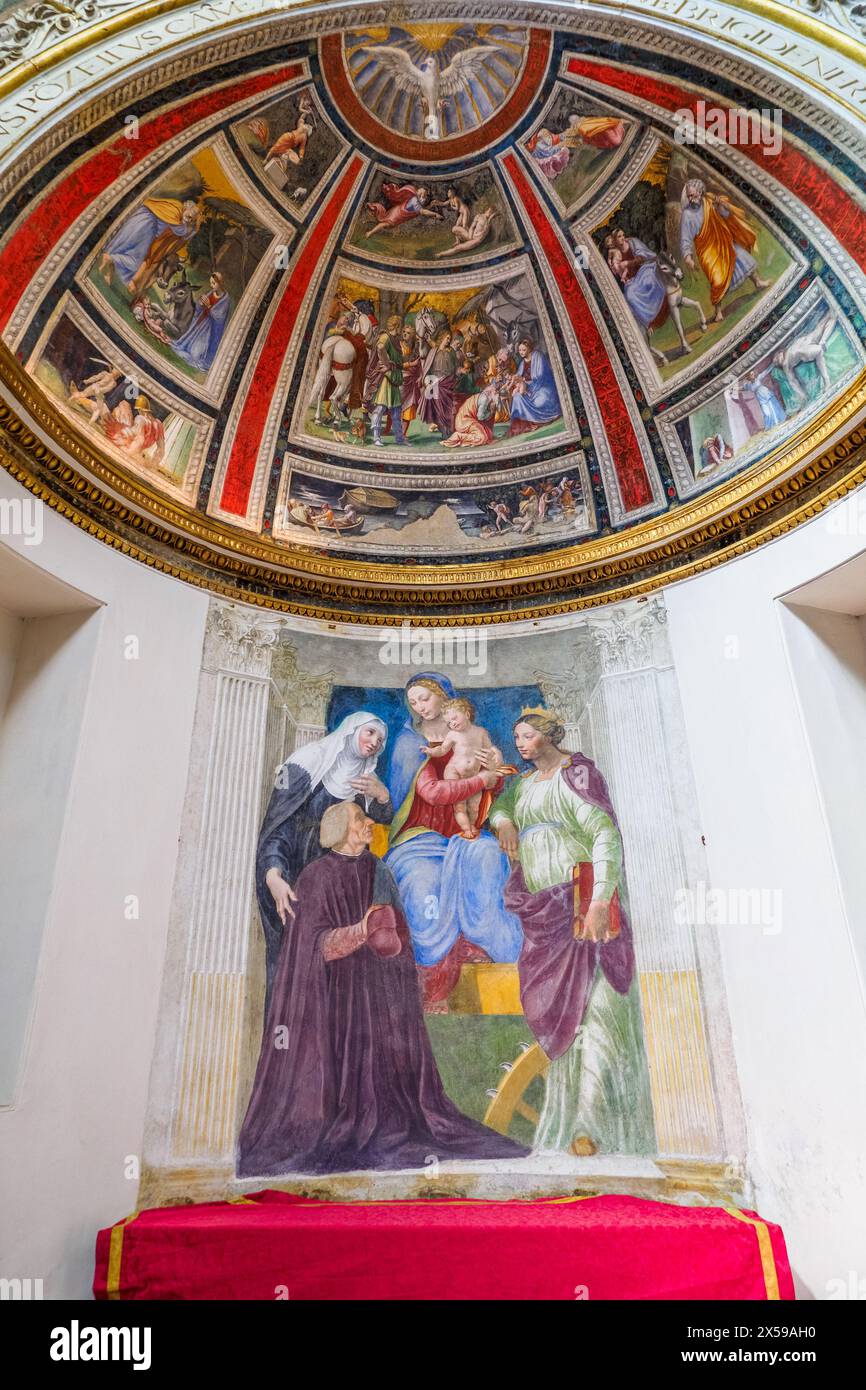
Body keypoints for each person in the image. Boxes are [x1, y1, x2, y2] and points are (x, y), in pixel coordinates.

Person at [237, 800, 529, 1175]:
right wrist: (362, 930)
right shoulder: (315, 877)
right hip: (335, 999)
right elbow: (315, 947)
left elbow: (397, 936)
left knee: (386, 1093)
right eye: (360, 819)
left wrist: (390, 939)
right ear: (342, 829)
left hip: (375, 992)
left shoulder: (380, 871)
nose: (368, 824)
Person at [490, 708, 656, 1157]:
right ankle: (571, 1126)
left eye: (526, 735)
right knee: (566, 1022)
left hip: (582, 909)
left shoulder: (577, 775)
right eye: (516, 736)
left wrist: (601, 899)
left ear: (548, 735)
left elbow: (604, 835)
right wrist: (504, 822)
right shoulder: (523, 786)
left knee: (596, 1014)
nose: (520, 743)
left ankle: (594, 1125)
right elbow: (503, 806)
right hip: (545, 917)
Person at [386, 676, 523, 1012]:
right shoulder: (410, 744)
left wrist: (491, 776)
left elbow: (493, 790)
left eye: (424, 699)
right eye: (413, 702)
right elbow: (430, 793)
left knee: (489, 855)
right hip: (419, 840)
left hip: (463, 835)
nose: (419, 707)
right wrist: (480, 779)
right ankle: (433, 981)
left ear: (445, 700)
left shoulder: (473, 735)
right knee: (424, 884)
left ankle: (480, 943)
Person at [255, 711, 391, 1006]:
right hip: (300, 876)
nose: (374, 742)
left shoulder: (368, 779)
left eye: (380, 740)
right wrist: (273, 875)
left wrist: (382, 797)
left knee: (344, 965)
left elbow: (379, 820)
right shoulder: (309, 761)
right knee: (298, 961)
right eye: (369, 733)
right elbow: (279, 827)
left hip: (344, 888)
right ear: (350, 730)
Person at [679, 178, 770, 323]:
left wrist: (721, 206)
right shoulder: (687, 214)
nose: (691, 199)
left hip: (723, 241)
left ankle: (758, 282)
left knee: (741, 256)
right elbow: (685, 237)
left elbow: (726, 216)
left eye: (693, 195)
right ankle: (718, 312)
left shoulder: (709, 201)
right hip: (707, 250)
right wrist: (688, 256)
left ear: (700, 191)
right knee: (717, 278)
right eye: (689, 196)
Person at [420, 697, 503, 839]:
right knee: (460, 806)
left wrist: (497, 754)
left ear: (466, 713)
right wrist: (431, 751)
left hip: (473, 774)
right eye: (449, 722)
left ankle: (472, 826)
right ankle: (466, 829)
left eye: (454, 718)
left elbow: (490, 748)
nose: (452, 723)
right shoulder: (452, 735)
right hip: (454, 772)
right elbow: (442, 750)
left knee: (474, 807)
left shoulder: (481, 732)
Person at [172, 272, 230, 372]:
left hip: (209, 330)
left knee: (195, 354)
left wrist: (208, 306)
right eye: (211, 283)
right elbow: (199, 308)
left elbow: (220, 318)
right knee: (185, 345)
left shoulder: (225, 300)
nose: (211, 286)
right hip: (200, 322)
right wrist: (200, 303)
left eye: (214, 283)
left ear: (220, 283)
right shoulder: (211, 293)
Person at [508, 337, 561, 436]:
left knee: (541, 400)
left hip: (542, 387)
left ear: (529, 348)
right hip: (528, 389)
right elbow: (519, 376)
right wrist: (516, 380)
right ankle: (525, 423)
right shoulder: (522, 363)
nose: (521, 352)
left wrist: (525, 382)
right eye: (520, 350)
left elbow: (541, 376)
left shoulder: (538, 356)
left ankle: (539, 421)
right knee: (517, 397)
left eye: (524, 350)